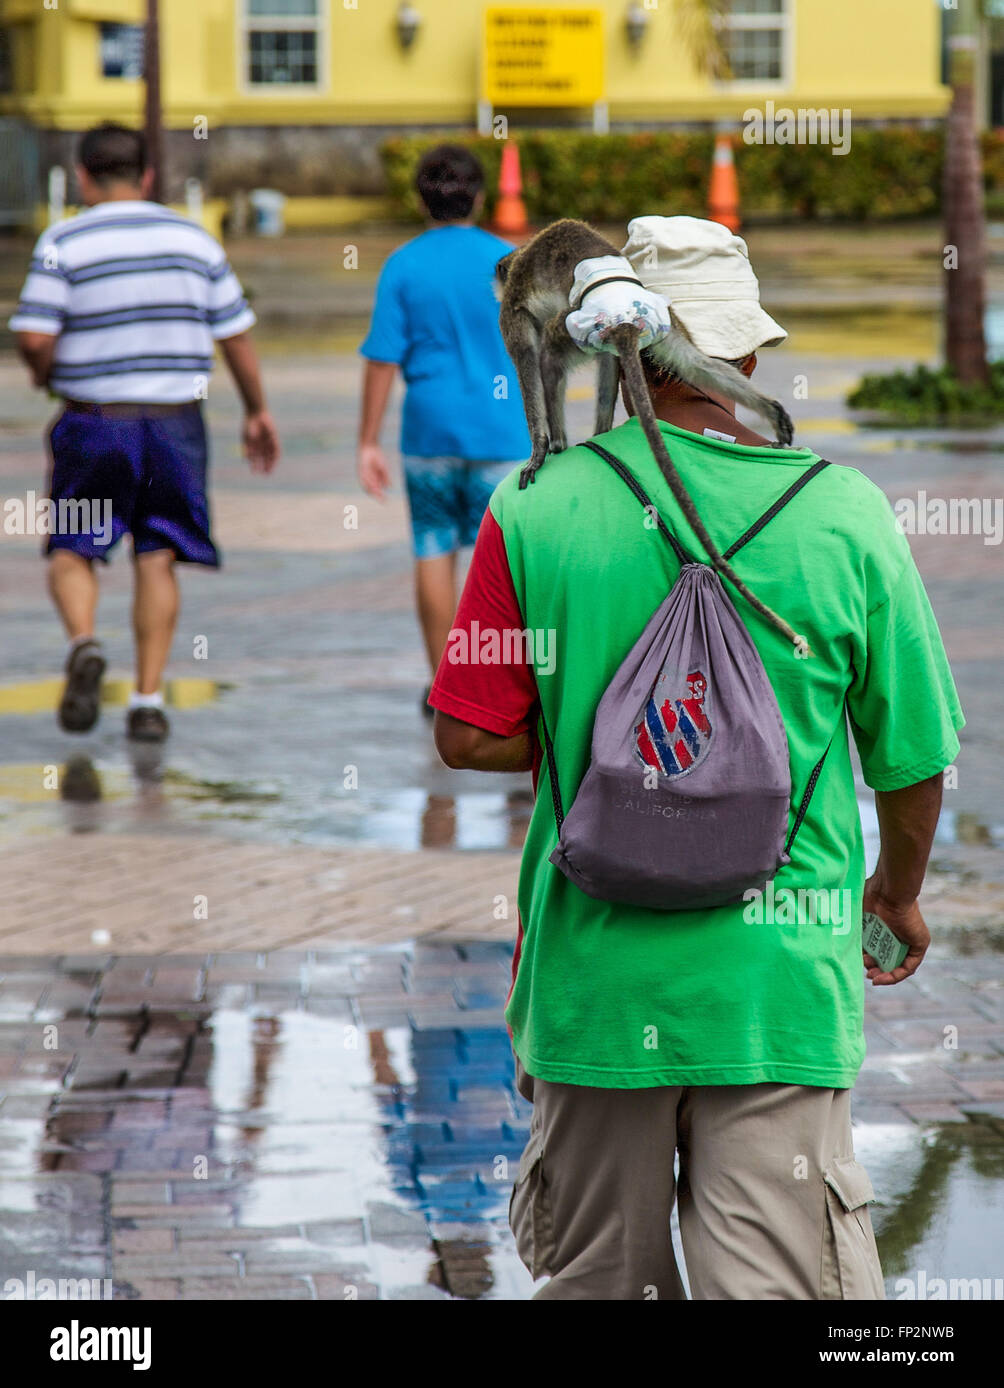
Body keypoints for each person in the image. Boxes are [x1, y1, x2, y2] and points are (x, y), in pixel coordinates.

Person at [429, 215, 964, 1300]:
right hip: (775, 985)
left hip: (588, 983)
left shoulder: (534, 504)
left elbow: (466, 731)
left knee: (594, 1284)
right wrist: (894, 893)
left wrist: (609, 730)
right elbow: (909, 756)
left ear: (612, 347)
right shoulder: (843, 512)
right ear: (748, 352)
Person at [10, 122, 279, 743]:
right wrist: (257, 410)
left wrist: (44, 371)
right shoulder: (193, 239)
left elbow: (31, 334)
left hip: (95, 421)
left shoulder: (63, 240)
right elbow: (234, 333)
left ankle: (83, 643)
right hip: (175, 425)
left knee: (74, 546)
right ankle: (148, 701)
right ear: (148, 175)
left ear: (82, 175)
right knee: (157, 554)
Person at [356, 144, 531, 710]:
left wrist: (367, 441)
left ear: (420, 200)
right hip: (503, 432)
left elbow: (383, 356)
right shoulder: (510, 262)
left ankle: (444, 688)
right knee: (505, 567)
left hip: (429, 430)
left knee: (432, 551)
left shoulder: (403, 265)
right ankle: (506, 692)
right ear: (480, 196)